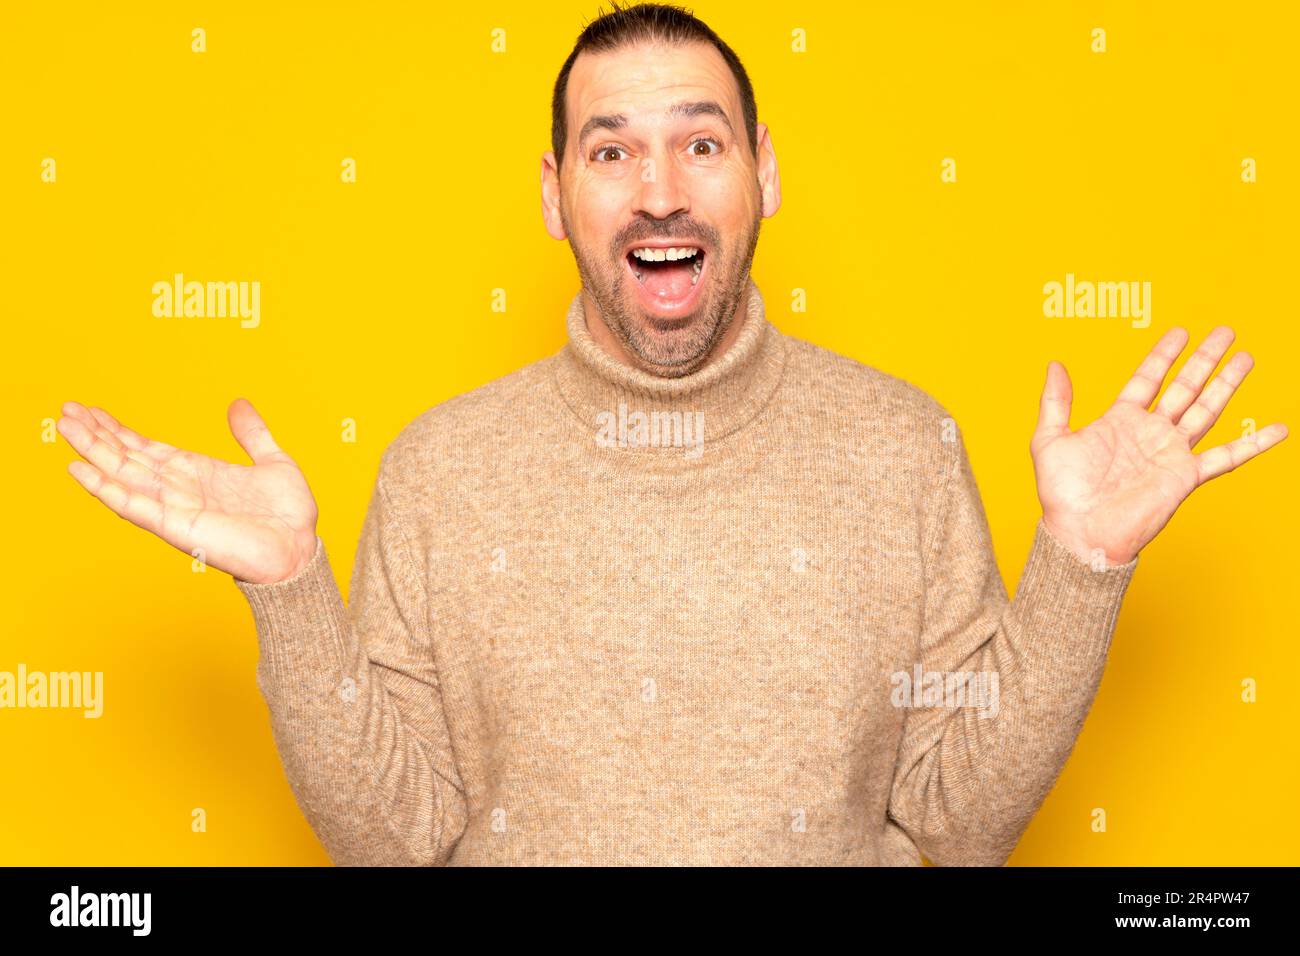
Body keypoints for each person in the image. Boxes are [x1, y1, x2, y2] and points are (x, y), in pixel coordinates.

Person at [55, 2, 1287, 865]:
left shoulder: (905, 446)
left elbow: (958, 826)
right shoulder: (438, 469)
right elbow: (397, 841)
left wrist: (1078, 567)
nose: (659, 192)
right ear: (555, 194)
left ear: (763, 173)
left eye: (700, 144)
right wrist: (290, 592)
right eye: (612, 151)